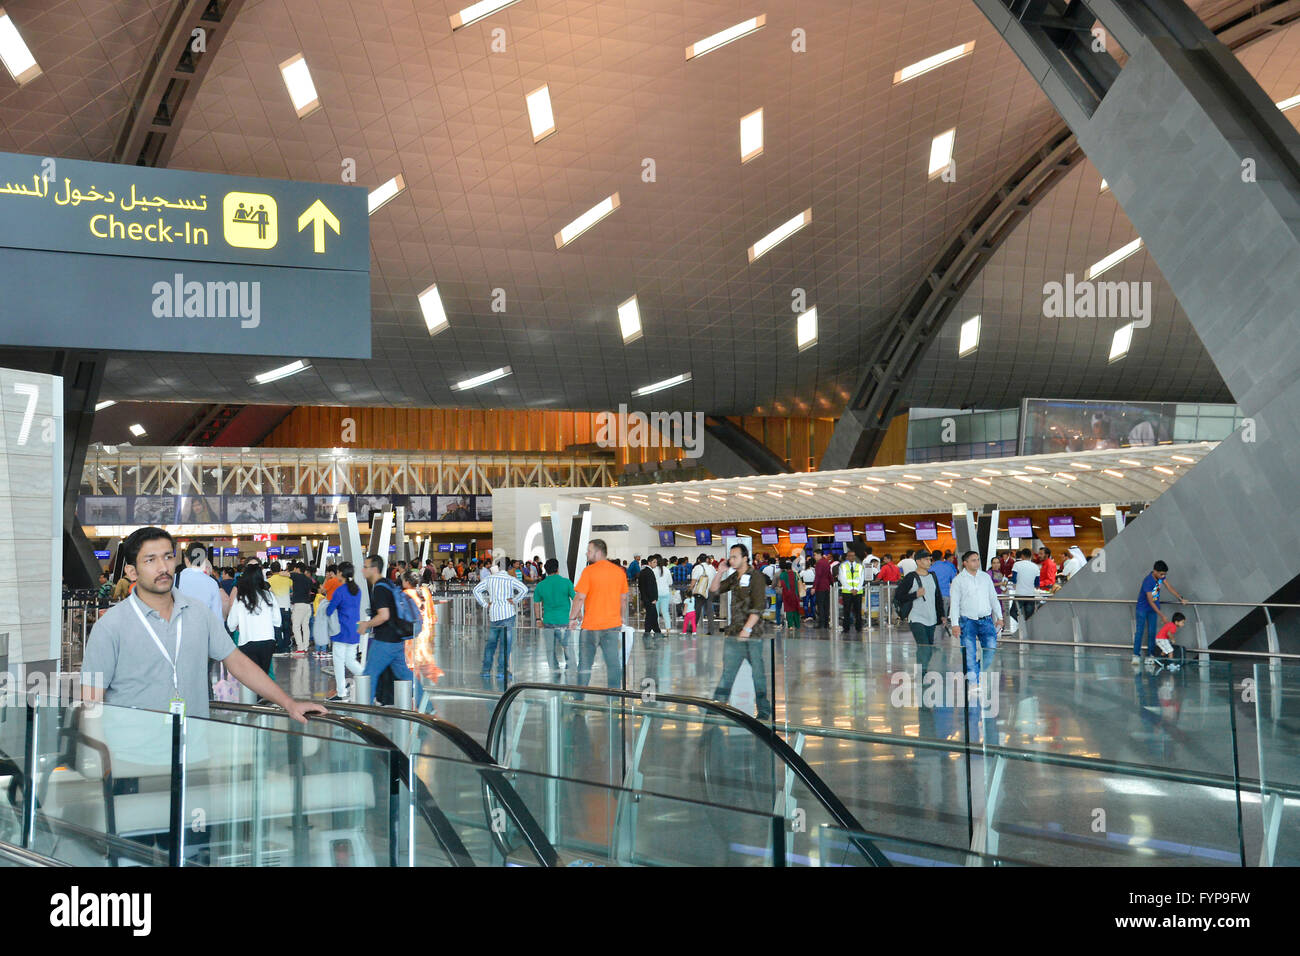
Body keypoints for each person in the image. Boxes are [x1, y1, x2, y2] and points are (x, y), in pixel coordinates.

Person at [81, 527, 325, 722]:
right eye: (150, 560)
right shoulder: (110, 626)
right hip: (132, 760)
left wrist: (289, 703)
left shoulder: (198, 614)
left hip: (194, 752)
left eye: (168, 557)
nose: (163, 567)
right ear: (132, 572)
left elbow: (238, 662)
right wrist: (99, 758)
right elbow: (91, 698)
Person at [709, 543, 773, 720]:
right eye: (730, 556)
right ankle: (716, 707)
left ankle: (764, 710)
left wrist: (747, 629)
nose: (731, 559)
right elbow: (714, 590)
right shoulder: (734, 577)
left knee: (758, 674)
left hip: (752, 636)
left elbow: (759, 606)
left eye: (735, 556)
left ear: (745, 558)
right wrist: (720, 571)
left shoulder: (756, 577)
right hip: (734, 634)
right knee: (727, 674)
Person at [357, 556, 419, 705]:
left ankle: (363, 712)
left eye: (365, 567)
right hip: (396, 639)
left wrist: (367, 624)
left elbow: (384, 615)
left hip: (384, 641)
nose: (362, 570)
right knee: (405, 675)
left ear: (374, 569)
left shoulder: (379, 588)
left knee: (369, 675)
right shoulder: (388, 584)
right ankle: (427, 706)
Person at [569, 539, 629, 690]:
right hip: (612, 626)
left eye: (589, 551)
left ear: (598, 552)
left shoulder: (589, 571)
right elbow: (623, 599)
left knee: (585, 664)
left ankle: (579, 698)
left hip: (591, 627)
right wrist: (621, 618)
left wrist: (572, 618)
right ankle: (615, 697)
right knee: (613, 664)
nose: (587, 554)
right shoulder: (619, 572)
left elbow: (580, 597)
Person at [948, 550, 1003, 691]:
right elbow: (954, 604)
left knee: (990, 650)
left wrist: (1000, 617)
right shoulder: (958, 580)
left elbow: (993, 598)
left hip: (986, 620)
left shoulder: (985, 577)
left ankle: (974, 673)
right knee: (969, 653)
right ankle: (973, 683)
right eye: (973, 560)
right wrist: (954, 624)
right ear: (965, 563)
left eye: (978, 559)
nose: (977, 562)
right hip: (967, 622)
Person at [473, 558, 529, 680]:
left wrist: (485, 604)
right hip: (508, 614)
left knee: (491, 644)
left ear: (497, 567)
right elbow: (524, 589)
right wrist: (514, 600)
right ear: (509, 567)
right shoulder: (510, 579)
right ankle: (501, 672)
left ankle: (486, 670)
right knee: (506, 644)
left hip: (494, 614)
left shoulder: (489, 579)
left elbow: (476, 590)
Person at [226, 564, 279, 676]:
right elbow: (277, 620)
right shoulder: (268, 596)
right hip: (268, 641)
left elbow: (231, 624)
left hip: (248, 642)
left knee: (252, 680)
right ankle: (263, 694)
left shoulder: (240, 598)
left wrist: (237, 626)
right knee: (263, 676)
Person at [899, 551, 946, 672]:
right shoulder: (910, 577)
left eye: (930, 559)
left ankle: (923, 670)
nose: (929, 562)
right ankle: (922, 673)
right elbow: (899, 596)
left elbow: (937, 596)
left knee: (928, 647)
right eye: (926, 559)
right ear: (918, 561)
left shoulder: (933, 576)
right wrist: (915, 594)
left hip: (931, 617)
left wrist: (942, 615)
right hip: (916, 618)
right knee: (923, 646)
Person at [325, 561, 365, 701]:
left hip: (341, 631)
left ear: (340, 573)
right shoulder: (357, 590)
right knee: (350, 661)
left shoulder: (340, 590)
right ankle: (368, 678)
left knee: (339, 662)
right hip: (354, 630)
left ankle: (341, 693)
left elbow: (329, 610)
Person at [1134, 560, 1185, 665]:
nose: (1163, 576)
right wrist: (1162, 615)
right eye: (1161, 574)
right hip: (1143, 609)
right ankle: (1136, 655)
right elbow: (1150, 600)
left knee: (1152, 633)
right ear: (1155, 571)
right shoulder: (1148, 581)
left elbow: (1169, 587)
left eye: (1165, 574)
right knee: (1140, 632)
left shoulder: (1160, 578)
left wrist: (1180, 598)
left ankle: (1150, 655)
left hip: (1153, 610)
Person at [533, 558, 576, 676]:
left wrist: (538, 619)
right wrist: (576, 616)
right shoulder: (566, 582)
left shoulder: (541, 585)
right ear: (557, 569)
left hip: (548, 621)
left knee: (550, 649)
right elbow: (575, 599)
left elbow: (536, 603)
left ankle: (555, 671)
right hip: (563, 621)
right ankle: (569, 670)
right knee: (567, 647)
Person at [176, 551, 223, 629]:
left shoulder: (174, 580)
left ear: (186, 560)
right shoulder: (212, 583)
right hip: (203, 631)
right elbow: (217, 617)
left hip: (179, 630)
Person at [289, 561, 317, 656]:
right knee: (305, 626)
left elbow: (284, 574)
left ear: (297, 569)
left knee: (296, 626)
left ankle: (300, 648)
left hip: (299, 605)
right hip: (307, 605)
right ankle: (305, 646)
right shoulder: (309, 579)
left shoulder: (296, 576)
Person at [267, 561, 293, 654]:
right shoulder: (287, 579)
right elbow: (293, 588)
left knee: (277, 628)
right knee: (287, 628)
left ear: (271, 570)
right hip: (286, 606)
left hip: (276, 609)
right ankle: (286, 647)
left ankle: (280, 647)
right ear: (280, 568)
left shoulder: (269, 580)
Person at [1009, 548, 1041, 626]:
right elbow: (1037, 583)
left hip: (1019, 594)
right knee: (1029, 616)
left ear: (1022, 555)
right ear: (1030, 556)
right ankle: (1028, 630)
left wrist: (1013, 582)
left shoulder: (1017, 564)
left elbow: (1014, 579)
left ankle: (1022, 625)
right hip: (1030, 595)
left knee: (1013, 612)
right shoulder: (1035, 566)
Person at [838, 552, 865, 632]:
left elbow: (862, 579)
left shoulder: (860, 566)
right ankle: (846, 628)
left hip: (858, 592)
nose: (852, 557)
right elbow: (842, 579)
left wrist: (856, 588)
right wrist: (850, 589)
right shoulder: (843, 566)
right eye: (850, 556)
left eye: (853, 556)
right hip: (847, 591)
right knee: (846, 610)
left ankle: (859, 627)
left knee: (858, 611)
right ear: (847, 557)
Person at [636, 555, 661, 635]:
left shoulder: (643, 572)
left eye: (656, 562)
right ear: (649, 563)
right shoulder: (649, 572)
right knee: (651, 615)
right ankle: (650, 631)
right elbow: (651, 587)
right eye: (654, 562)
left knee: (652, 615)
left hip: (645, 598)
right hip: (650, 599)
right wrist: (653, 598)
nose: (655, 564)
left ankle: (654, 631)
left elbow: (640, 586)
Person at [777, 559, 802, 630]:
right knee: (796, 609)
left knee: (788, 610)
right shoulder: (795, 574)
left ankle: (790, 625)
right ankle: (797, 625)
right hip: (795, 594)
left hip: (787, 594)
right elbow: (798, 583)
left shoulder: (782, 574)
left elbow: (779, 585)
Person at [813, 550, 833, 628]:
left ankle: (821, 623)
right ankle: (826, 623)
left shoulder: (819, 563)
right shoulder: (826, 562)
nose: (814, 557)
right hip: (826, 586)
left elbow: (818, 576)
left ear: (819, 554)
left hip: (820, 587)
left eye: (815, 555)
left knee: (820, 605)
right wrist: (832, 583)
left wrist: (814, 587)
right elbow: (829, 574)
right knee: (826, 605)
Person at [654, 555, 674, 632]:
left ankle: (656, 628)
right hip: (665, 593)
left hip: (656, 594)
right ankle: (668, 628)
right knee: (665, 611)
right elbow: (670, 582)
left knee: (656, 612)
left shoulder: (654, 570)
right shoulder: (667, 570)